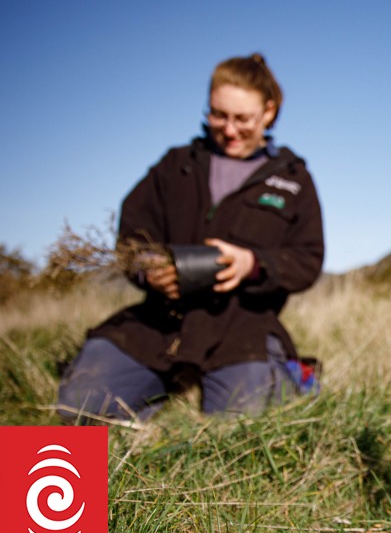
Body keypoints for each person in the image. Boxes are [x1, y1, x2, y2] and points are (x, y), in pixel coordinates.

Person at [58, 54, 324, 422]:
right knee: (77, 407)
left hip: (243, 329)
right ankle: (51, 474)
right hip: (159, 322)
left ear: (268, 112)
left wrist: (253, 265)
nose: (229, 130)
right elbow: (133, 232)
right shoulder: (176, 164)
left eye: (242, 118)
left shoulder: (294, 180)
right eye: (218, 115)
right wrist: (148, 267)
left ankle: (286, 378)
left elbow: (308, 259)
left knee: (239, 434)